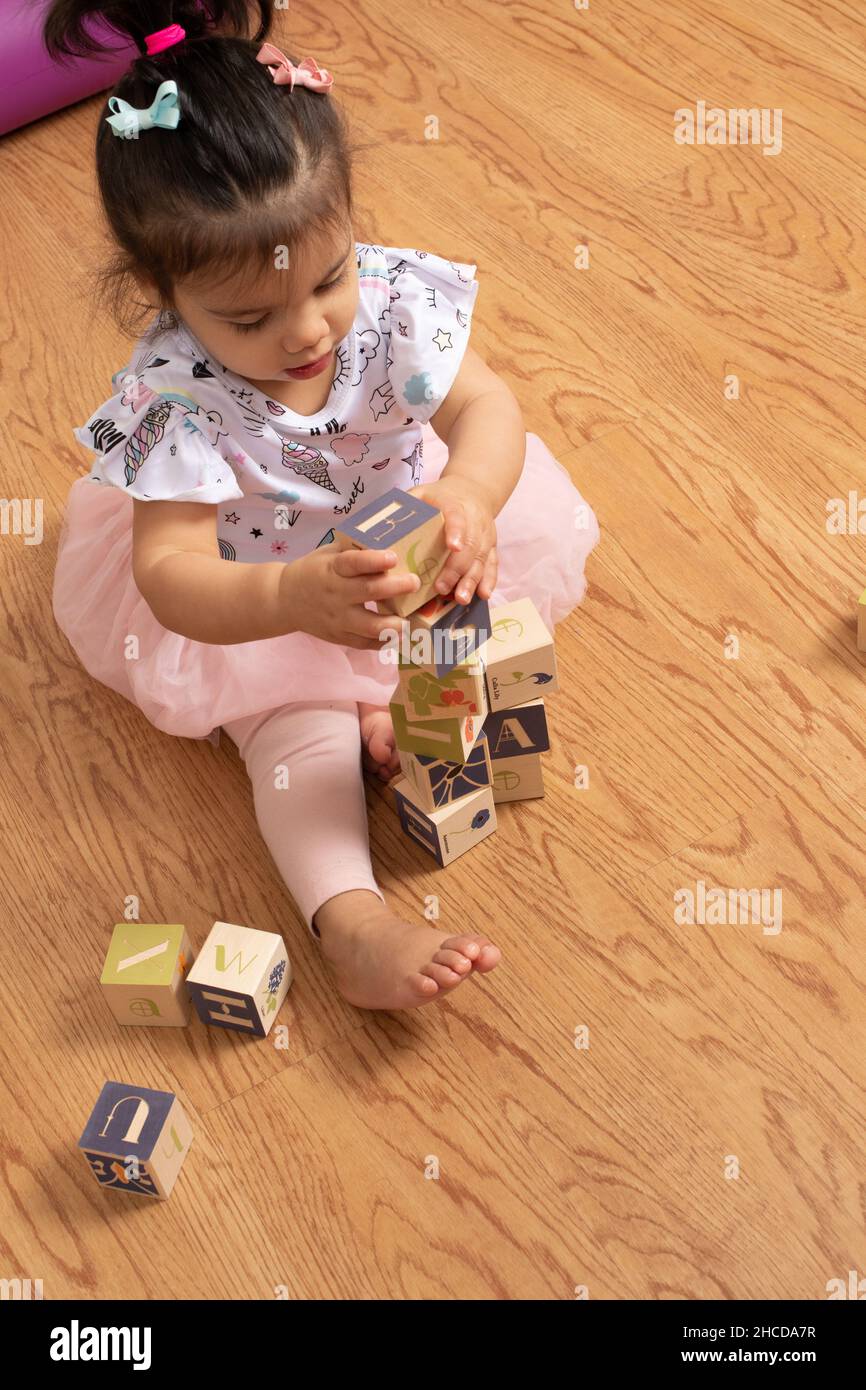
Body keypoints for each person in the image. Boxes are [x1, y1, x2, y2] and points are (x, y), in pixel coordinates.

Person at [45, 1, 600, 1010]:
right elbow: (168, 578)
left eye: (329, 277)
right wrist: (291, 600)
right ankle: (349, 921)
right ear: (162, 293)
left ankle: (390, 705)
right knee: (294, 735)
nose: (305, 332)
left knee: (458, 634)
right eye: (249, 318)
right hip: (259, 589)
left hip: (404, 525)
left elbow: (486, 404)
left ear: (348, 221)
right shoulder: (176, 402)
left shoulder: (388, 304)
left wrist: (468, 493)